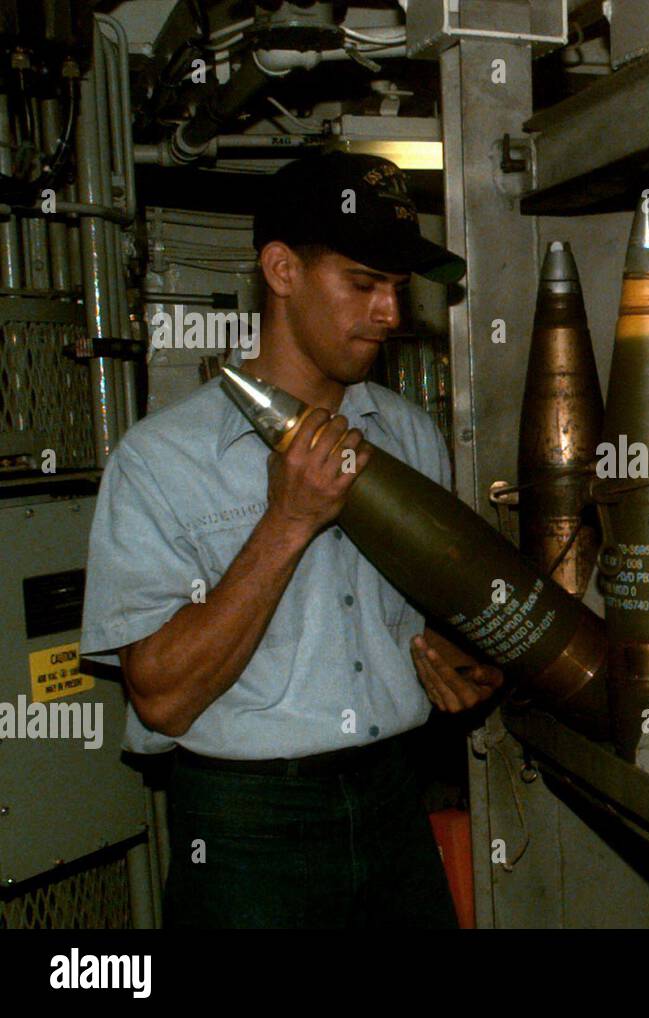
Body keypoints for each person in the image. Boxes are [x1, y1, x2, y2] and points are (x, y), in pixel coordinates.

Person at [79, 151, 500, 929]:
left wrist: (467, 662)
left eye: (398, 290)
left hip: (394, 802)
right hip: (246, 832)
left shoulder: (409, 436)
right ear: (280, 270)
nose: (391, 316)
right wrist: (288, 522)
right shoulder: (160, 460)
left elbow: (442, 625)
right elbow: (162, 698)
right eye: (363, 284)